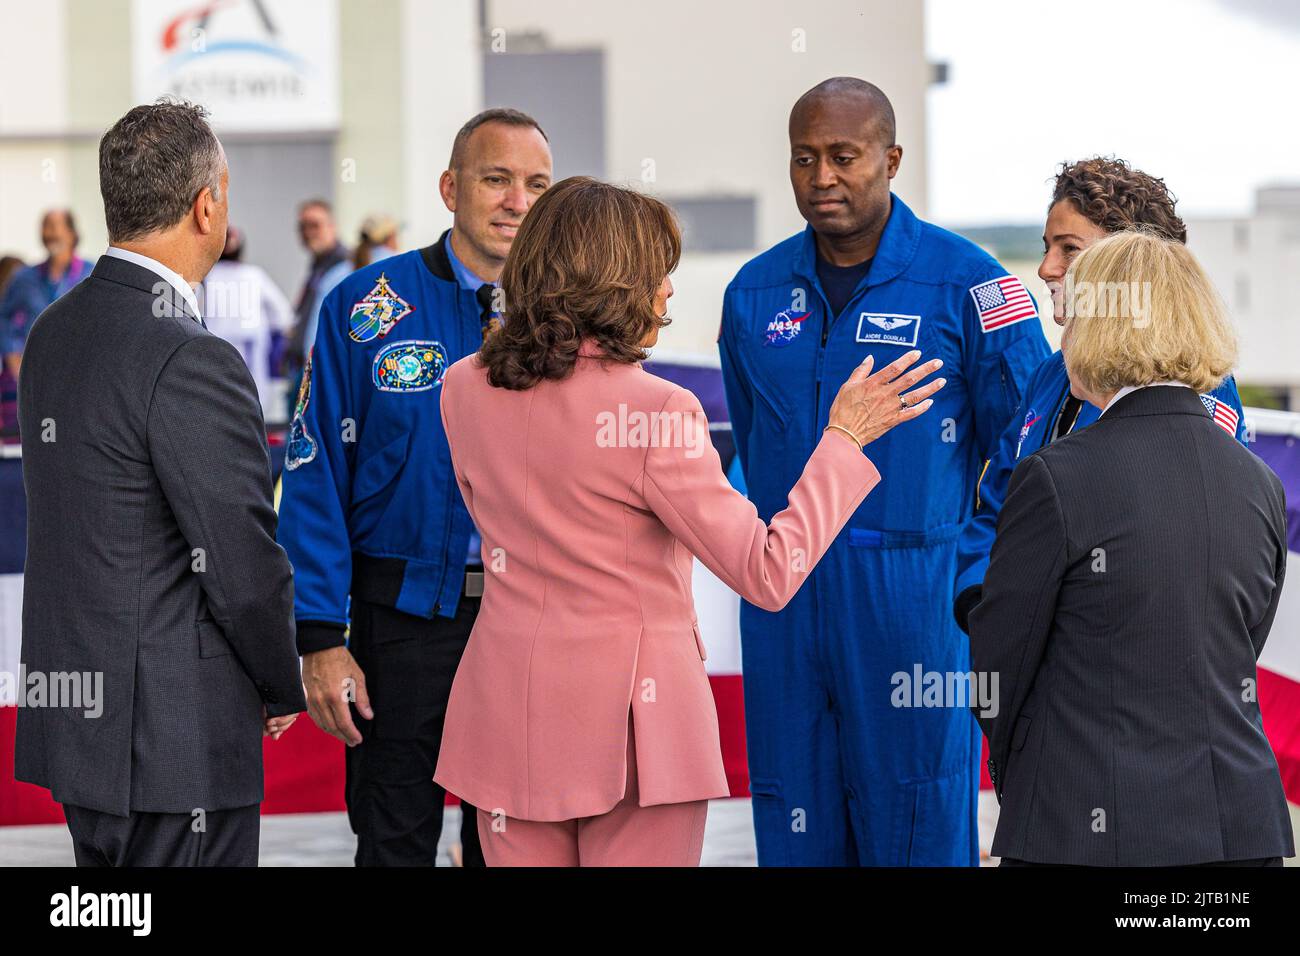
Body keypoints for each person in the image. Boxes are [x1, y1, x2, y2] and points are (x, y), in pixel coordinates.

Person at [433, 176, 945, 866]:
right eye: (658, 273)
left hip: (504, 716)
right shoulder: (660, 411)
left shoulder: (463, 387)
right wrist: (844, 441)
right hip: (634, 735)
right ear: (616, 281)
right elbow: (767, 571)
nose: (669, 291)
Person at [717, 77, 1049, 867]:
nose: (821, 177)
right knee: (793, 816)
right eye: (803, 158)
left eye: (843, 156)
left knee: (917, 819)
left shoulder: (972, 284)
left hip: (914, 609)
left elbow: (1032, 452)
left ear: (891, 159)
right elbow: (754, 444)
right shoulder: (752, 292)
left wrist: (970, 570)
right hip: (784, 600)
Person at [14, 100, 305, 867]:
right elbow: (242, 565)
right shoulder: (190, 355)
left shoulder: (51, 333)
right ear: (206, 206)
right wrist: (280, 679)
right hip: (177, 745)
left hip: (84, 728)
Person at [278, 107, 553, 867]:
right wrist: (320, 638)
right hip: (398, 627)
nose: (517, 202)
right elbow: (312, 476)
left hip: (530, 627)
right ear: (450, 188)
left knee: (513, 843)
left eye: (536, 184)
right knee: (393, 839)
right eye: (496, 180)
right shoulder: (364, 311)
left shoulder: (569, 317)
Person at [969, 230, 1295, 866]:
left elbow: (997, 664)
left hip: (1078, 832)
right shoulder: (1259, 483)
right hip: (1236, 834)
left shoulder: (1054, 478)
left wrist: (1022, 773)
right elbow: (1233, 647)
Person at [953, 158, 1249, 635]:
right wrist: (979, 601)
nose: (1047, 268)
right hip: (1043, 675)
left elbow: (1207, 544)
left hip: (1131, 668)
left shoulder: (1199, 383)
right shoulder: (1051, 374)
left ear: (1129, 267)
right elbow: (997, 507)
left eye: (1069, 250)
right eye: (1047, 247)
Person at [201, 224, 295, 423]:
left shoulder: (212, 276)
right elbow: (283, 315)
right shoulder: (217, 276)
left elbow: (282, 314)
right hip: (234, 346)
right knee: (246, 399)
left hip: (236, 348)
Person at [0, 210, 91, 379]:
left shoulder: (91, 274)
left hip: (79, 374)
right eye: (44, 227)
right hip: (35, 372)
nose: (48, 233)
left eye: (54, 226)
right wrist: (12, 354)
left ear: (72, 234)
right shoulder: (24, 277)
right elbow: (3, 317)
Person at [283, 198, 349, 416]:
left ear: (332, 226)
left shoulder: (344, 268)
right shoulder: (319, 266)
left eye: (315, 225)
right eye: (303, 227)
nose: (308, 232)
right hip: (304, 372)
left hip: (321, 376)